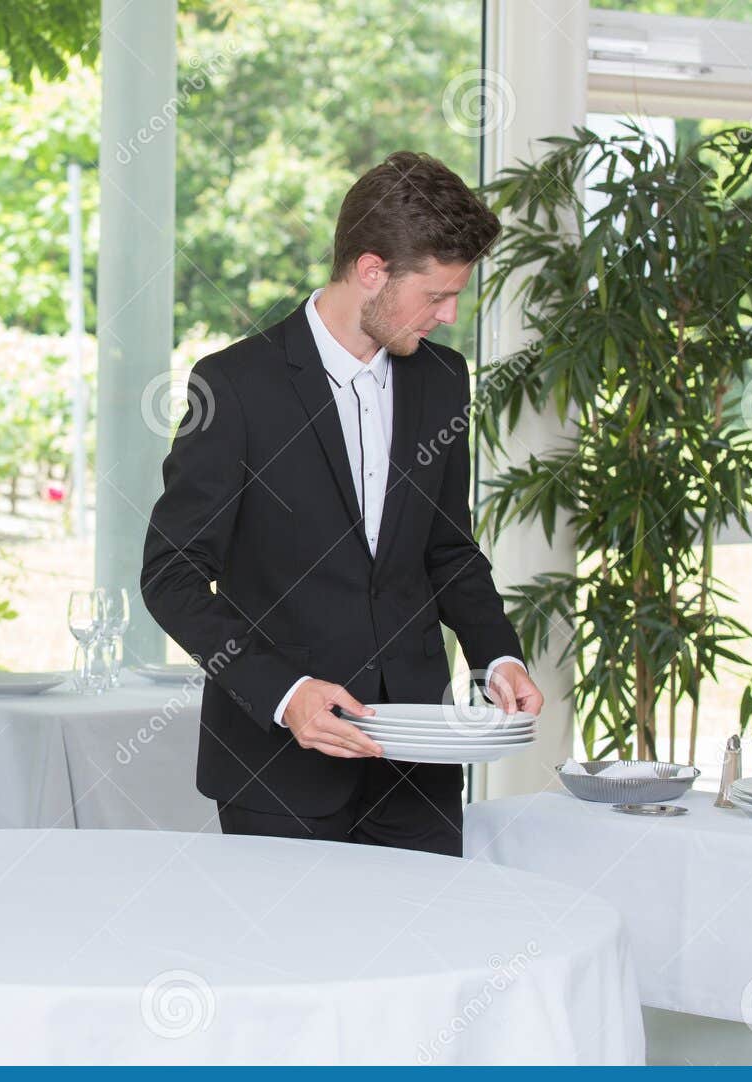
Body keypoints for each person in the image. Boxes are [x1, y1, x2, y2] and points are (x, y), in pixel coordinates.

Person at [141, 151, 544, 856]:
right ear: (370, 271)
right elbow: (171, 576)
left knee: (428, 962)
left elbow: (447, 551)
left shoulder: (443, 380)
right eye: (438, 295)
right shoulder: (234, 386)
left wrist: (496, 659)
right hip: (276, 772)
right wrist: (283, 690)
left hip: (417, 770)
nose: (450, 316)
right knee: (291, 967)